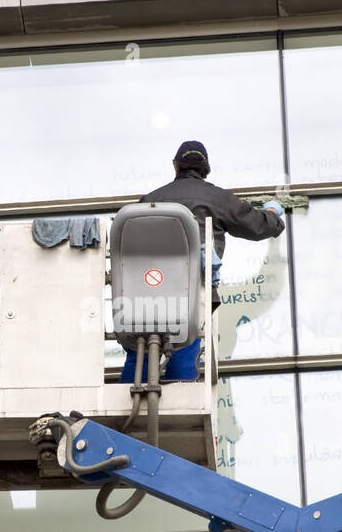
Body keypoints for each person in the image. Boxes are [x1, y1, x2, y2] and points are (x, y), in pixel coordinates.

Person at [120, 141, 285, 382]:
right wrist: (272, 215)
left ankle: (128, 404)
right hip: (191, 289)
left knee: (140, 349)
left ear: (176, 166)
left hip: (147, 288)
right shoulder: (216, 198)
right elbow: (256, 226)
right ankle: (181, 394)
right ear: (205, 169)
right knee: (186, 343)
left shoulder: (149, 200)